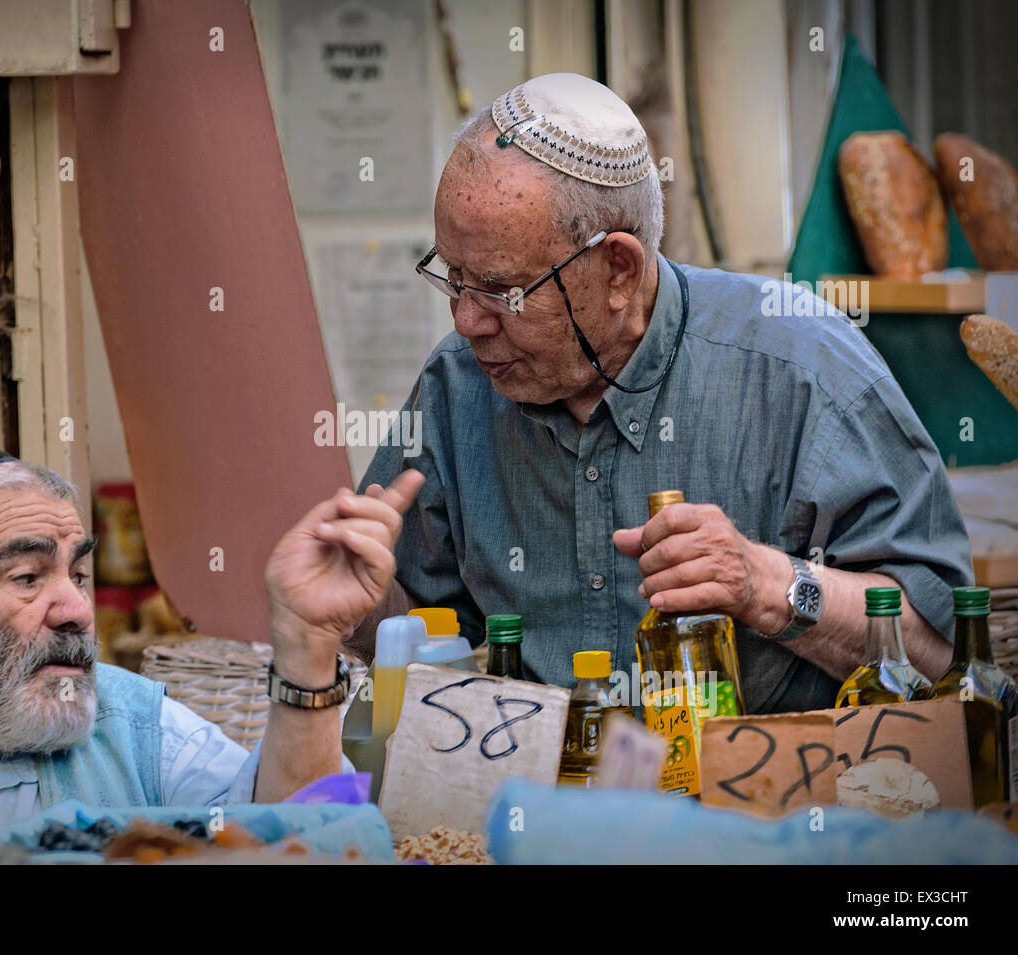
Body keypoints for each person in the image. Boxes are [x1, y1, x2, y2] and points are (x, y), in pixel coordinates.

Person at [350, 73, 972, 713]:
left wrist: (766, 585)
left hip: (767, 803)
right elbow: (419, 630)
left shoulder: (802, 369)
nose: (466, 321)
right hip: (543, 803)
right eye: (452, 278)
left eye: (502, 291)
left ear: (618, 269)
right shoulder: (459, 382)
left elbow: (940, 653)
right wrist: (363, 606)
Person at [0, 440, 423, 833]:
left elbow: (296, 837)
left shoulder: (137, 729)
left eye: (77, 574)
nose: (75, 610)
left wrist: (304, 643)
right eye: (27, 576)